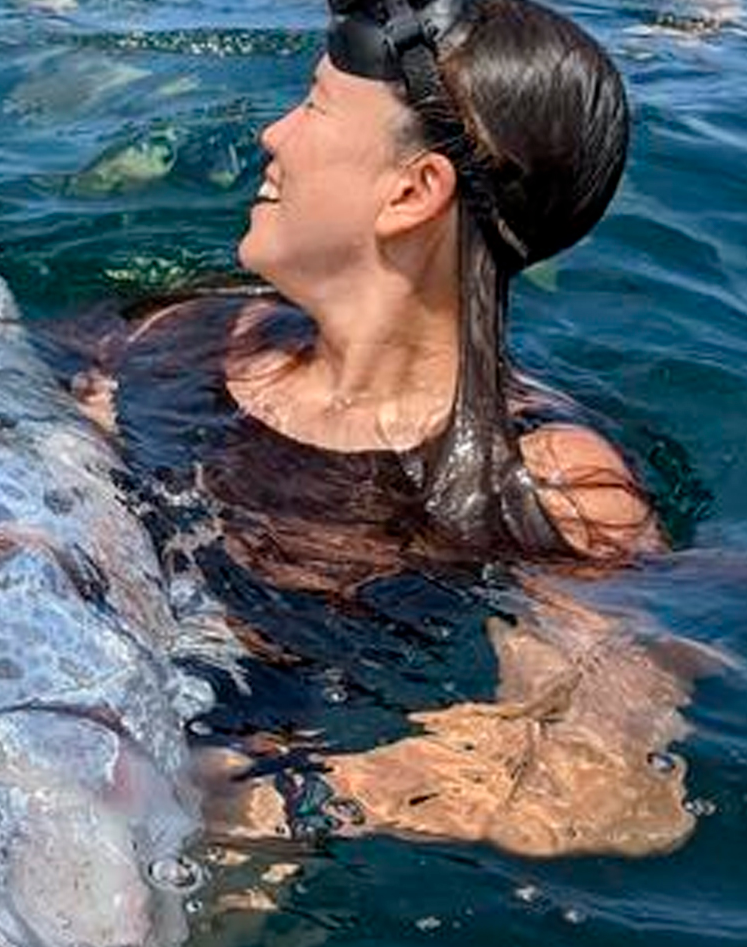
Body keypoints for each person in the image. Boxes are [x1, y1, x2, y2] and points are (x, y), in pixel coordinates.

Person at [62, 0, 697, 857]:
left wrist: (279, 798)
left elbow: (603, 788)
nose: (273, 136)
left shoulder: (554, 484)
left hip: (227, 826)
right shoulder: (181, 336)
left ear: (412, 192)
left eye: (315, 107)